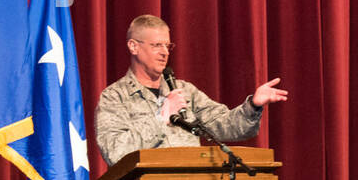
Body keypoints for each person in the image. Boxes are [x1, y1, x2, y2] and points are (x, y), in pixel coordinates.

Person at [94, 14, 288, 166]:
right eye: (156, 45)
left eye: (167, 45)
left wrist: (253, 105)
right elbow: (115, 152)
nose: (165, 52)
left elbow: (225, 125)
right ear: (133, 46)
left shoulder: (184, 91)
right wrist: (161, 120)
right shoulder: (114, 97)